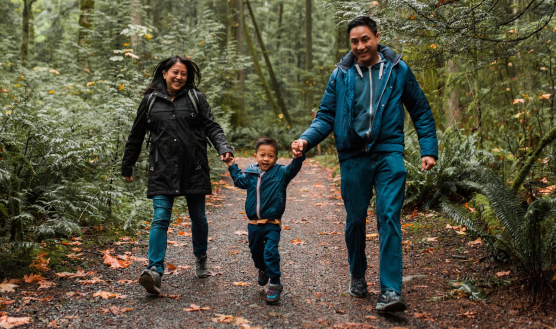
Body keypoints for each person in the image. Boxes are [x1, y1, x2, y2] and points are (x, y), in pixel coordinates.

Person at [291, 17, 438, 312]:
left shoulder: (397, 69)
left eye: (365, 39)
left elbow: (419, 108)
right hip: (353, 155)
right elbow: (325, 116)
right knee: (356, 220)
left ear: (377, 37)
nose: (360, 46)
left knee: (388, 217)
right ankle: (358, 274)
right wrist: (306, 140)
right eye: (355, 42)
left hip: (389, 153)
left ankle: (391, 290)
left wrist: (428, 149)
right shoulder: (342, 73)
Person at [121, 55, 234, 294]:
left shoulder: (196, 99)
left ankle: (201, 256)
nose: (179, 77)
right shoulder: (150, 101)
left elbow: (212, 127)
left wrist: (223, 147)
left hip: (194, 167)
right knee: (160, 217)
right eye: (175, 72)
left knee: (199, 218)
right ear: (164, 73)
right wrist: (127, 165)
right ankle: (154, 271)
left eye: (183, 73)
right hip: (162, 168)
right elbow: (137, 134)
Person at [224, 137, 305, 304]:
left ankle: (275, 283)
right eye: (262, 155)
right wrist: (232, 165)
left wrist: (298, 157)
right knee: (256, 252)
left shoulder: (281, 173)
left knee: (270, 252)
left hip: (272, 223)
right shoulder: (251, 173)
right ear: (256, 156)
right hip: (254, 224)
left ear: (276, 158)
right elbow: (239, 181)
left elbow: (293, 169)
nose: (266, 159)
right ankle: (262, 269)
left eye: (270, 156)